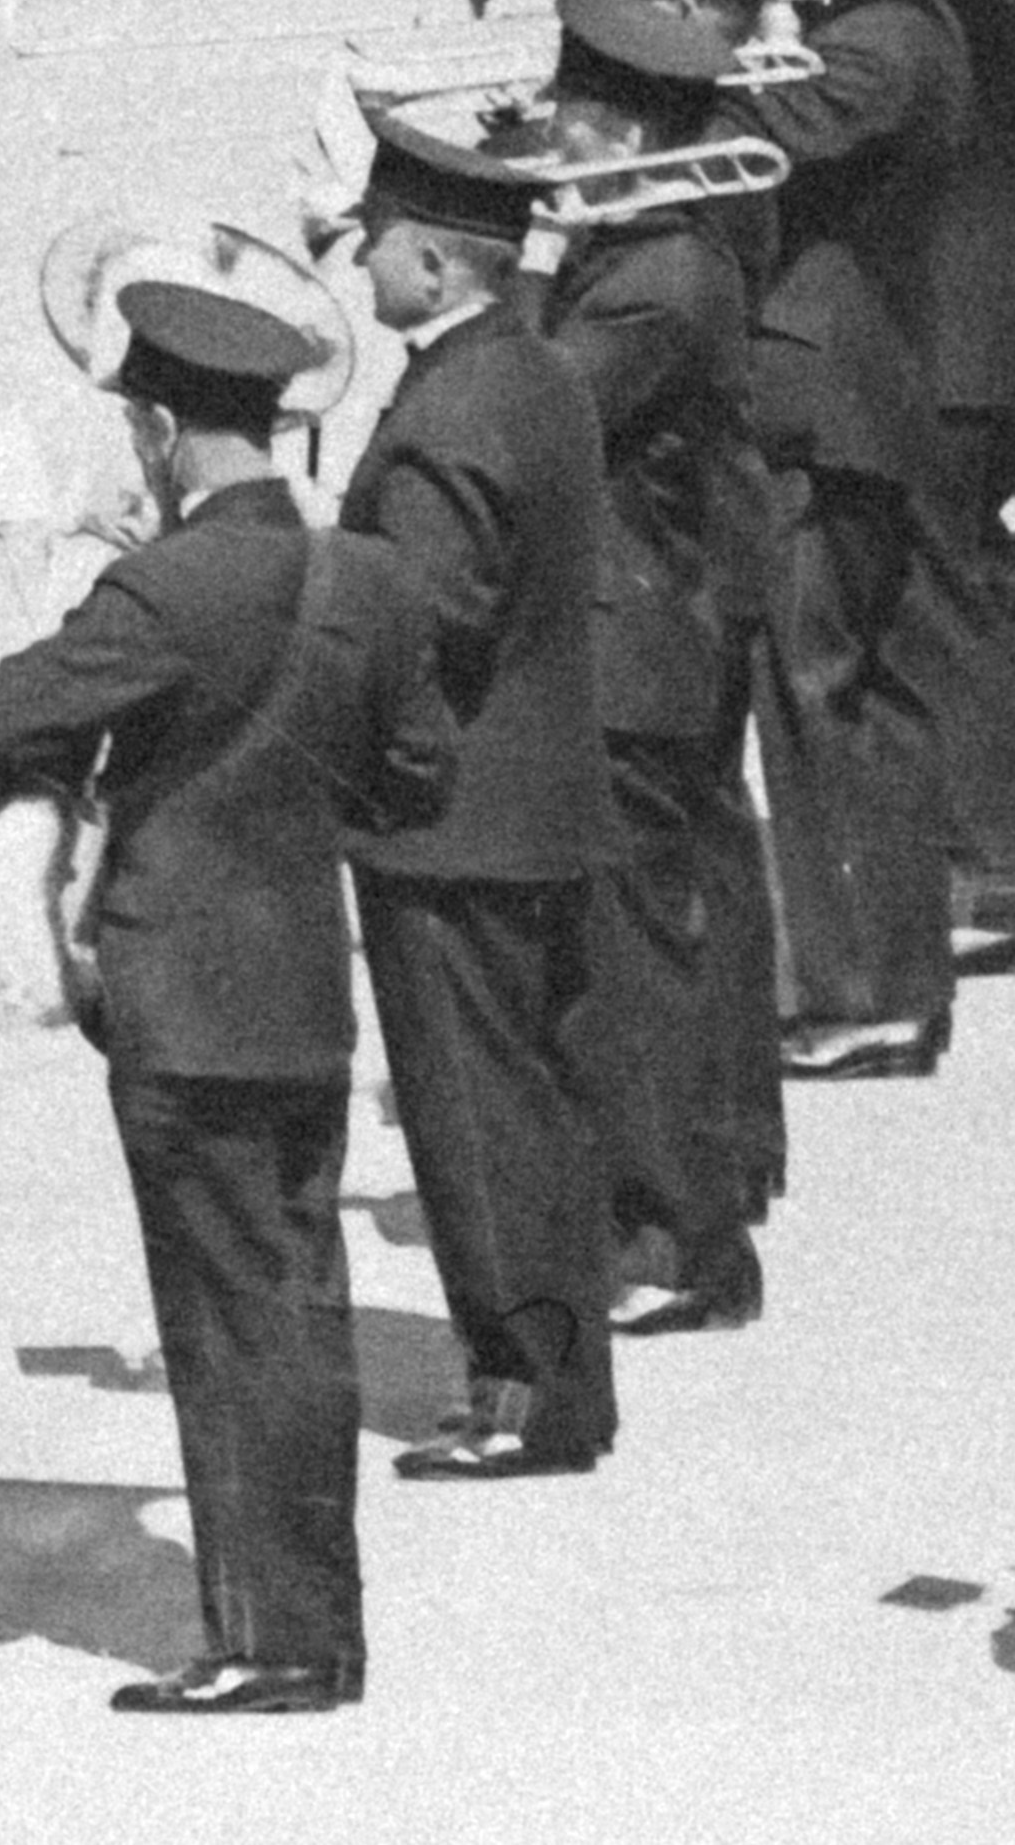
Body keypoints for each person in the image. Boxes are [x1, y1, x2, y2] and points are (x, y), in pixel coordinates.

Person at [0, 277, 453, 1720]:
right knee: (300, 1313)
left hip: (180, 1004)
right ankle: (314, 1627)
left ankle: (266, 1644)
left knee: (229, 1333)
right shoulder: (371, 576)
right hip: (300, 992)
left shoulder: (166, 589)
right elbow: (417, 777)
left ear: (163, 428)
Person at [330, 118, 618, 1482]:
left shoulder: (449, 413)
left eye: (378, 244)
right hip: (538, 802)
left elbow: (421, 617)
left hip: (453, 824)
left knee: (479, 1121)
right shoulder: (535, 374)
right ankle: (563, 1385)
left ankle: (521, 1391)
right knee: (540, 1114)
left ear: (437, 264)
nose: (362, 263)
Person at [520, 0, 779, 1341]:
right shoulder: (641, 243)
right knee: (634, 944)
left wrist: (491, 238)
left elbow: (529, 412)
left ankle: (682, 1241)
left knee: (634, 955)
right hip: (639, 627)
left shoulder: (663, 280)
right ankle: (673, 1215)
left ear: (618, 124)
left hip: (642, 641)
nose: (543, 130)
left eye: (566, 115)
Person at [739, 0, 971, 1076]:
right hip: (850, 397)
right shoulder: (874, 23)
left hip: (834, 407)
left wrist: (643, 60)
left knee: (826, 696)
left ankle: (870, 987)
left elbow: (769, 136)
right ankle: (880, 975)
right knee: (842, 694)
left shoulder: (885, 39)